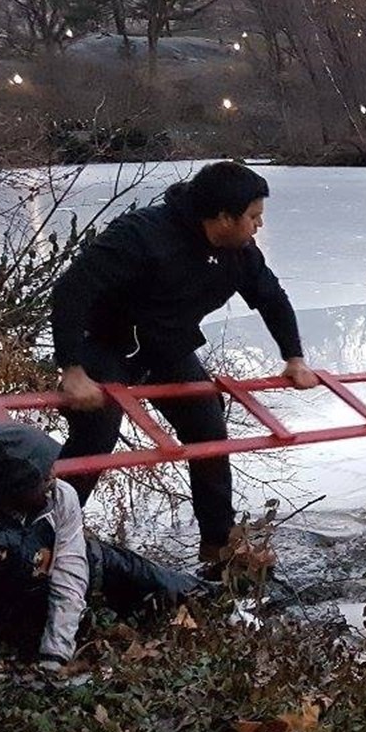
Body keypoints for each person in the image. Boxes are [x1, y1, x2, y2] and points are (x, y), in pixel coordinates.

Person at [49, 160, 322, 570]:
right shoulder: (141, 235)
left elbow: (271, 298)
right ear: (224, 217)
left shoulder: (239, 253)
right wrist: (72, 369)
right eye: (253, 217)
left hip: (165, 346)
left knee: (207, 426)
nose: (259, 225)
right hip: (106, 342)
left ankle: (218, 544)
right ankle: (45, 536)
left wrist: (294, 358)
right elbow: (71, 291)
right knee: (97, 433)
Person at [0, 423, 208, 670]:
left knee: (160, 584)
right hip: (12, 601)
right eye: (41, 477)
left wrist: (55, 653)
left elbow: (71, 573)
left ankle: (208, 590)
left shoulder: (61, 496)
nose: (52, 478)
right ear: (9, 488)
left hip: (89, 567)